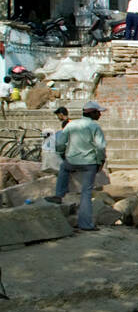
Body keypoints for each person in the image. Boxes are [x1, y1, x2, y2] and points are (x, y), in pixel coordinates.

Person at [44, 99, 107, 231]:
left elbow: (60, 144)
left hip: (72, 161)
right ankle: (85, 224)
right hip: (90, 163)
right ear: (92, 113)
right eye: (98, 113)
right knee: (86, 193)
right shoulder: (95, 127)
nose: (100, 115)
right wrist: (101, 161)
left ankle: (59, 195)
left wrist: (62, 155)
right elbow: (101, 147)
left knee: (63, 168)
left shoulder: (71, 125)